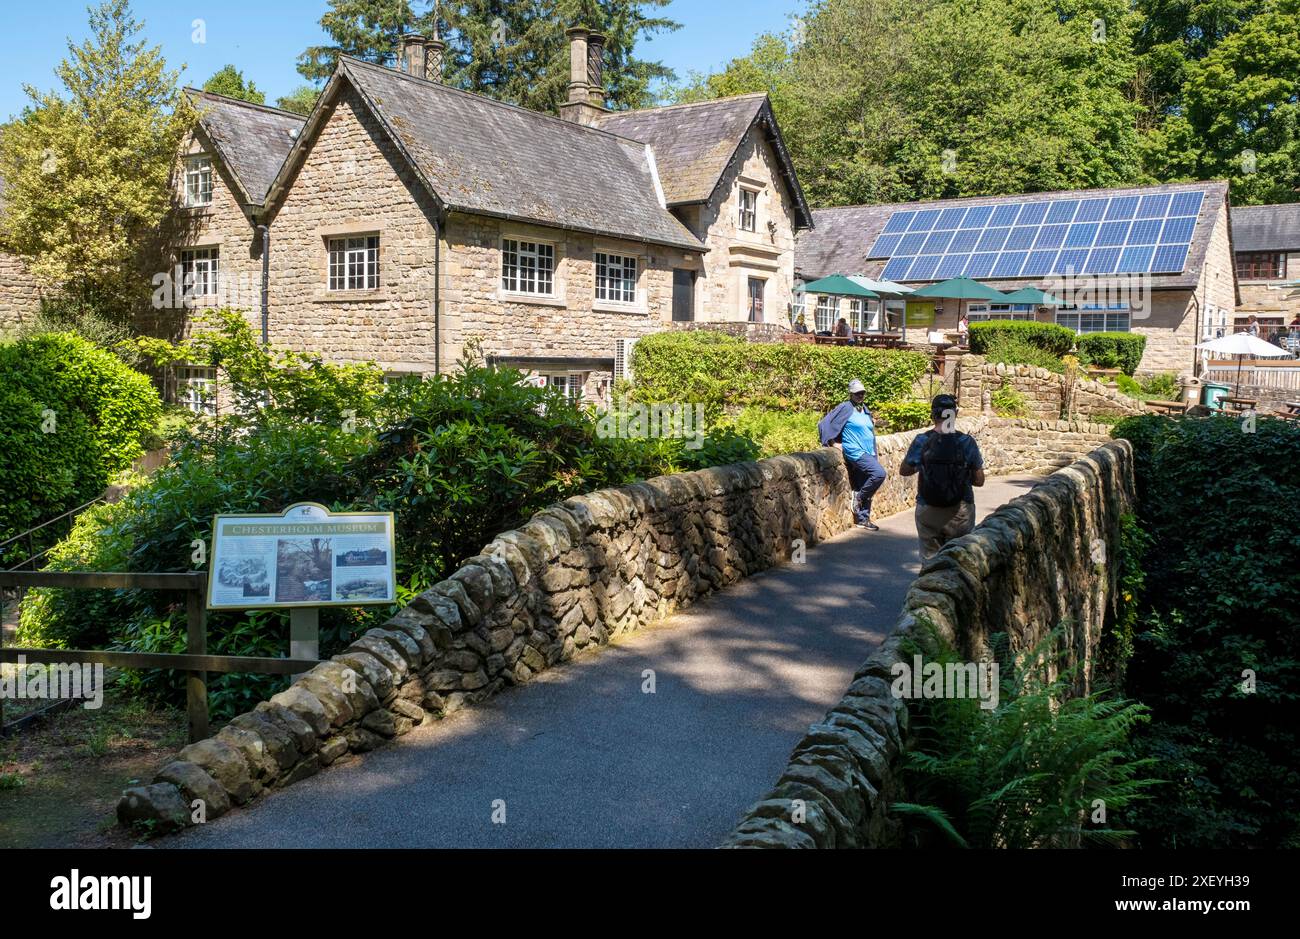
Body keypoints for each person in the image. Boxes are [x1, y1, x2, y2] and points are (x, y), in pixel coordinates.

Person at [899, 394, 986, 560]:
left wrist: (926, 463)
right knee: (959, 562)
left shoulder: (922, 440)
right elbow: (979, 481)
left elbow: (904, 470)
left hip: (928, 508)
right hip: (960, 510)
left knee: (930, 562)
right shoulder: (966, 442)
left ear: (933, 415)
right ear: (955, 414)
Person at [819, 380, 887, 530]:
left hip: (868, 450)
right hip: (854, 450)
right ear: (851, 393)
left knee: (865, 483)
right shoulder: (845, 407)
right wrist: (832, 442)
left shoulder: (864, 409)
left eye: (862, 393)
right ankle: (859, 497)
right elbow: (824, 423)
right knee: (879, 473)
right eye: (857, 393)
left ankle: (863, 519)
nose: (860, 395)